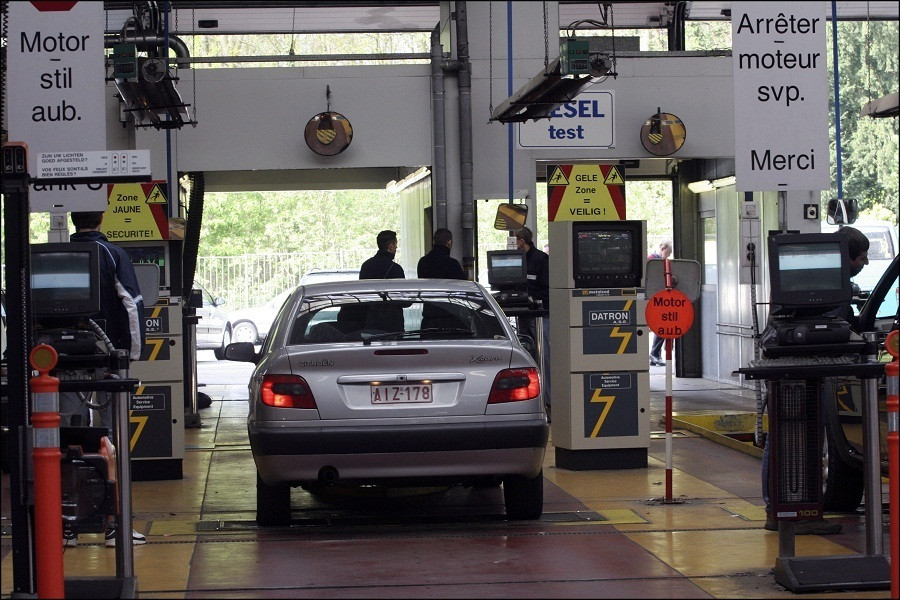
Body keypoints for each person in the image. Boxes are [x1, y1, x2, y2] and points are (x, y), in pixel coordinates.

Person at [761, 226, 869, 535]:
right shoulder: (829, 287)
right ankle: (783, 508)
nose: (864, 264)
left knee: (794, 434)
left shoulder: (827, 287)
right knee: (788, 435)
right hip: (796, 370)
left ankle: (789, 508)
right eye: (861, 258)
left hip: (803, 369)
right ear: (844, 258)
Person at [62, 210, 146, 547]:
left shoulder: (54, 256)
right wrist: (130, 356)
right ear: (101, 220)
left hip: (63, 362)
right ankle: (114, 526)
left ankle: (67, 526)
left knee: (66, 437)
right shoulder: (112, 253)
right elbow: (131, 303)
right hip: (105, 359)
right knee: (110, 441)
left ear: (72, 221)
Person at [515, 227, 551, 418]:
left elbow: (546, 288)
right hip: (523, 314)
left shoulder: (541, 260)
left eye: (516, 241)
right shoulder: (518, 260)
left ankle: (548, 401)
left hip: (540, 316)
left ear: (522, 241)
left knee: (543, 357)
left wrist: (531, 296)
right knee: (526, 354)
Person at [647, 240, 673, 366]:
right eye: (667, 253)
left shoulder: (656, 261)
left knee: (661, 327)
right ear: (662, 248)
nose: (668, 257)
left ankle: (654, 354)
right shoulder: (652, 262)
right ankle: (655, 354)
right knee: (661, 326)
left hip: (657, 298)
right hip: (654, 298)